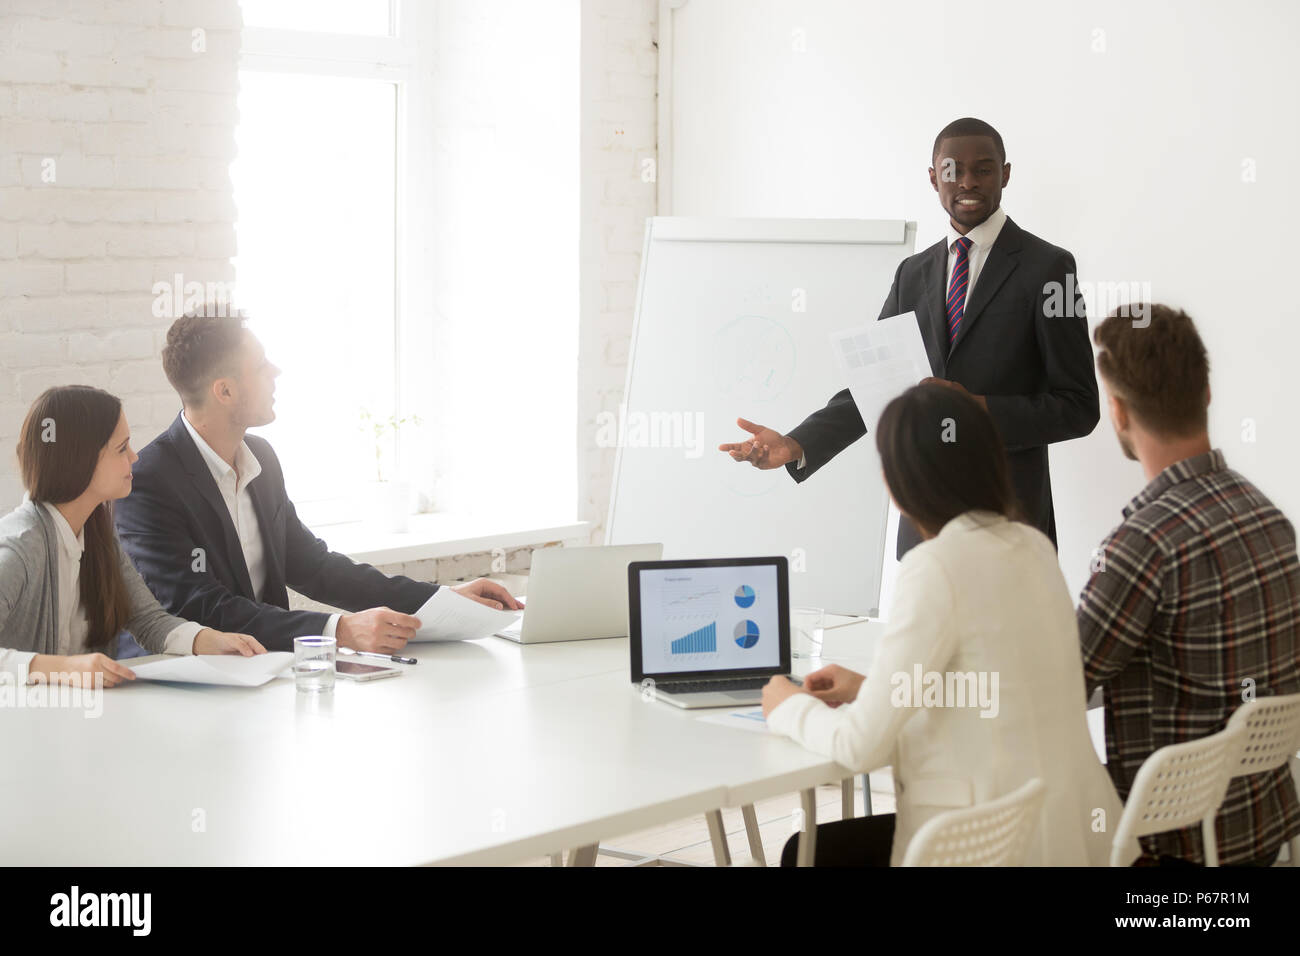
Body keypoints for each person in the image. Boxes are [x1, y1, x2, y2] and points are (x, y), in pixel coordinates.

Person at [760, 383, 1130, 866]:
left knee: (804, 852)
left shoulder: (934, 567)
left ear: (898, 482)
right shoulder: (1032, 546)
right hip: (1071, 840)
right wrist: (872, 688)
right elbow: (998, 692)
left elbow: (860, 747)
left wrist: (786, 707)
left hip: (980, 845)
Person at [721, 117, 1099, 560]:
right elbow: (874, 385)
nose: (968, 182)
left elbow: (1078, 406)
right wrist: (797, 443)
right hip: (924, 522)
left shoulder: (1049, 267)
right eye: (953, 169)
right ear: (934, 177)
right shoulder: (912, 273)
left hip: (1010, 522)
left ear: (1006, 174)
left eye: (984, 169)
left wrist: (978, 411)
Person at [114, 309, 522, 654]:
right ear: (224, 391)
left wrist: (440, 600)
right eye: (260, 366)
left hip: (266, 672)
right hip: (188, 684)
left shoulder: (262, 459)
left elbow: (316, 567)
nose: (276, 371)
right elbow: (202, 608)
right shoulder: (150, 482)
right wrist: (338, 632)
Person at [1078, 304, 1300, 866]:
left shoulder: (1141, 546)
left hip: (1170, 853)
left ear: (1119, 413)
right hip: (1264, 831)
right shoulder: (1271, 519)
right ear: (1205, 393)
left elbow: (1059, 685)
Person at [0, 387, 264, 687]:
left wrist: (208, 640)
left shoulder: (98, 536)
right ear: (81, 459)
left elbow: (148, 621)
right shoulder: (19, 546)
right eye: (122, 447)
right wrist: (63, 668)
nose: (134, 457)